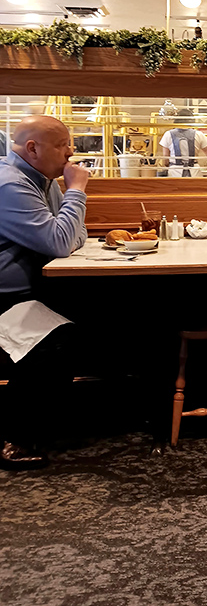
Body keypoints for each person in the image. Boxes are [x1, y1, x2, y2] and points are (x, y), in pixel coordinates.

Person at [0, 115, 90, 469]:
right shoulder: (9, 184)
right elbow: (61, 239)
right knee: (56, 340)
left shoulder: (43, 180)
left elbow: (69, 238)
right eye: (63, 144)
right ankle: (15, 438)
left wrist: (65, 234)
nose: (71, 152)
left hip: (30, 288)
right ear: (33, 149)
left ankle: (58, 418)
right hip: (5, 297)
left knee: (101, 312)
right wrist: (78, 190)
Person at [158, 108, 207, 177]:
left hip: (175, 172)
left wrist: (168, 166)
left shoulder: (168, 134)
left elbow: (166, 159)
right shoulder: (199, 134)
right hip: (194, 172)